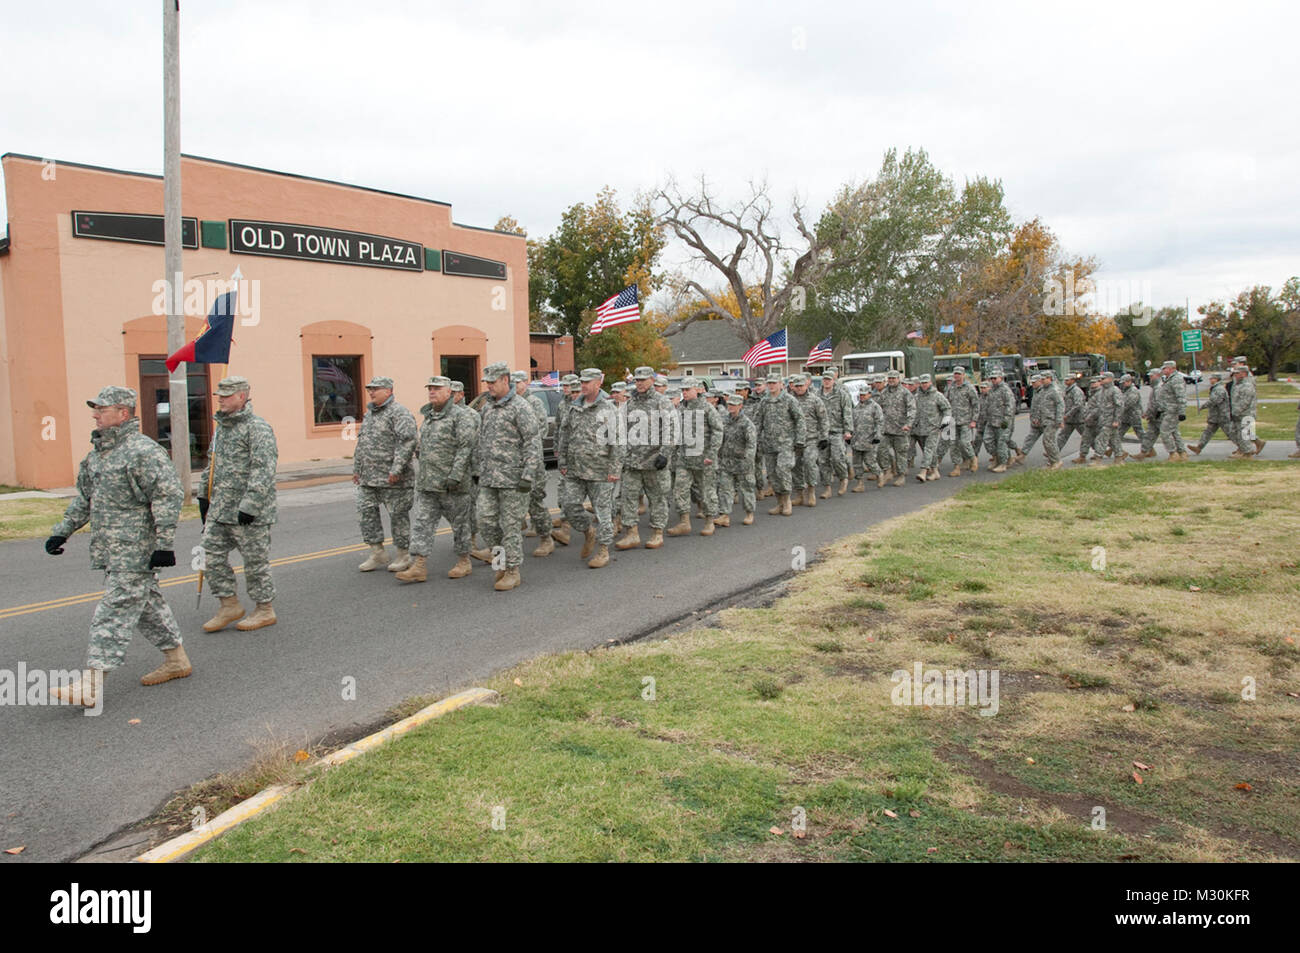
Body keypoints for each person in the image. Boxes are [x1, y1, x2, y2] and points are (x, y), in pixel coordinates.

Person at [45, 386, 188, 708]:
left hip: (137, 549)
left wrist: (164, 543)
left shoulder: (142, 451)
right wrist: (62, 532)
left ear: (123, 413)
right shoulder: (98, 454)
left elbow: (168, 495)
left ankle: (91, 683)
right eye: (94, 409)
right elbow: (85, 498)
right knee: (147, 607)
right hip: (112, 549)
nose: (95, 414)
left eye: (102, 409)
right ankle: (177, 660)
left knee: (114, 609)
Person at [199, 376, 279, 631]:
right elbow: (211, 466)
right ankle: (229, 604)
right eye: (219, 395)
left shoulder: (257, 428)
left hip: (249, 512)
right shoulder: (222, 428)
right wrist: (203, 495)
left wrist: (251, 505)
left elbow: (263, 469)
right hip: (220, 508)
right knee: (210, 556)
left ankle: (264, 608)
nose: (220, 399)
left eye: (226, 395)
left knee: (255, 563)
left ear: (242, 397)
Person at [397, 376, 479, 583]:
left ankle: (464, 561)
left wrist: (455, 475)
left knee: (460, 525)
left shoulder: (461, 416)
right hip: (428, 484)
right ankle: (419, 565)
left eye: (436, 388)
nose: (431, 392)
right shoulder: (430, 416)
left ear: (449, 392)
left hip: (452, 485)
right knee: (422, 524)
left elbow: (466, 448)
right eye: (430, 389)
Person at [473, 361, 540, 591]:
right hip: (489, 478)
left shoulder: (520, 407)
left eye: (493, 382)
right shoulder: (487, 407)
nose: (489, 386)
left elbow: (532, 441)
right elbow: (481, 440)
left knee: (510, 526)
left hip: (514, 480)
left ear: (505, 380)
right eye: (487, 382)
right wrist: (477, 470)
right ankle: (500, 563)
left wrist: (528, 475)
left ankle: (512, 570)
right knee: (486, 522)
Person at [558, 368, 624, 567]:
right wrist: (562, 462)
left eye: (587, 382)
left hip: (600, 471)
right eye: (582, 382)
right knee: (569, 506)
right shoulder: (574, 407)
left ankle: (603, 550)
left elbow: (618, 441)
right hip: (575, 470)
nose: (583, 385)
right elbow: (565, 434)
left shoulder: (608, 409)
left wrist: (615, 469)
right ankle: (589, 531)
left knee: (603, 512)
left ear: (598, 384)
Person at [353, 376, 417, 572]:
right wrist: (357, 469)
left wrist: (396, 469)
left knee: (398, 516)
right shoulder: (370, 414)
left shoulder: (399, 413)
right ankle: (377, 551)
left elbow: (406, 443)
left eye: (376, 389)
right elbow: (362, 443)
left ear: (388, 391)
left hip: (393, 478)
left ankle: (403, 555)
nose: (371, 392)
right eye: (370, 389)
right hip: (369, 477)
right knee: (365, 512)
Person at [616, 366, 675, 550]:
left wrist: (665, 453)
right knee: (628, 497)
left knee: (657, 498)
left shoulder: (661, 401)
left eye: (643, 380)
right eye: (637, 380)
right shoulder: (631, 402)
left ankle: (657, 533)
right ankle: (631, 533)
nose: (639, 383)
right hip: (632, 461)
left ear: (652, 380)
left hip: (654, 460)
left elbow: (671, 429)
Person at [669, 379, 723, 535]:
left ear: (698, 390)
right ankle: (684, 522)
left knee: (706, 491)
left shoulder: (707, 408)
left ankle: (709, 521)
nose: (684, 392)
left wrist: (712, 454)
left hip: (704, 458)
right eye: (683, 390)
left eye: (688, 389)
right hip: (684, 458)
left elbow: (718, 431)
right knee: (680, 489)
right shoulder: (680, 409)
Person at [512, 371, 556, 554]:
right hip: (514, 462)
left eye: (518, 382)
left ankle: (546, 537)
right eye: (512, 383)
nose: (515, 386)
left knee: (534, 501)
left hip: (532, 461)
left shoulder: (534, 402)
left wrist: (528, 453)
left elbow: (540, 431)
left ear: (525, 383)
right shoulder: (511, 404)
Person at [755, 369, 805, 516]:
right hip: (769, 443)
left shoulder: (789, 400)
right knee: (772, 473)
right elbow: (758, 422)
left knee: (783, 470)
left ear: (781, 384)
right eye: (769, 383)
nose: (771, 386)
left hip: (786, 443)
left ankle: (787, 500)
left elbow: (800, 420)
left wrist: (800, 440)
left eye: (774, 383)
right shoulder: (764, 401)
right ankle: (779, 502)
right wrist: (756, 440)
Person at [716, 393, 757, 525]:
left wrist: (748, 461)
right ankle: (724, 515)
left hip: (742, 461)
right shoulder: (724, 421)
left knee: (746, 489)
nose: (731, 407)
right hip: (726, 461)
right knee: (725, 488)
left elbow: (751, 444)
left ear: (740, 405)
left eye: (734, 405)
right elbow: (718, 439)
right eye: (729, 404)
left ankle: (749, 513)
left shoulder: (747, 424)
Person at [790, 374, 829, 506]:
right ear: (794, 387)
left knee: (809, 463)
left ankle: (811, 492)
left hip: (811, 438)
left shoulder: (815, 400)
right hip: (794, 441)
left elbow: (823, 419)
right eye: (797, 386)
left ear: (807, 385)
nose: (799, 388)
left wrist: (824, 437)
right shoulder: (789, 401)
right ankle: (799, 494)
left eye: (802, 385)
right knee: (795, 467)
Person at [818, 369, 854, 496]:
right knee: (823, 461)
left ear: (834, 381)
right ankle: (827, 487)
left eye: (829, 379)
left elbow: (847, 413)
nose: (827, 382)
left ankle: (843, 479)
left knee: (838, 458)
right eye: (825, 379)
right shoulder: (817, 395)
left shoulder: (841, 394)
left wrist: (848, 430)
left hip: (837, 431)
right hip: (822, 433)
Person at [877, 370, 916, 485]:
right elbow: (879, 408)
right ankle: (887, 471)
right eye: (890, 378)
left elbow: (912, 409)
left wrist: (908, 424)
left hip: (900, 429)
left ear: (898, 379)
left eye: (894, 378)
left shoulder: (905, 393)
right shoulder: (884, 393)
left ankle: (901, 475)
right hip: (886, 428)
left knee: (901, 454)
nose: (891, 380)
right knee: (881, 450)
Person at [945, 366, 979, 476]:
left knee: (965, 443)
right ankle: (956, 468)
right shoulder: (951, 388)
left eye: (959, 374)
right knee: (953, 446)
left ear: (963, 375)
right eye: (955, 374)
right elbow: (946, 402)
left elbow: (976, 405)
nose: (957, 376)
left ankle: (973, 458)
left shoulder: (969, 388)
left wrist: (974, 420)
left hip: (965, 420)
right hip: (953, 421)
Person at [850, 388, 886, 489]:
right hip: (856, 440)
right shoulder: (856, 408)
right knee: (857, 463)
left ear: (869, 395)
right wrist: (849, 435)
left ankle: (879, 474)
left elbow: (880, 422)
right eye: (861, 395)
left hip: (869, 439)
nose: (862, 396)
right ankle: (860, 483)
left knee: (870, 462)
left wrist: (878, 436)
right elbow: (851, 422)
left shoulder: (875, 407)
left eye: (864, 395)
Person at [1188, 371, 1229, 456]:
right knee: (1207, 432)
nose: (1210, 379)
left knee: (1230, 433)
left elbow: (1214, 401)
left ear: (1216, 379)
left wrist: (1203, 406)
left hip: (1221, 415)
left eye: (1212, 378)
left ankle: (1243, 448)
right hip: (1215, 416)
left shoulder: (1219, 389)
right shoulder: (1215, 388)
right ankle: (1199, 447)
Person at [1228, 362, 1263, 458]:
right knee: (1236, 432)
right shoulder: (1238, 384)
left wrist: (1236, 412)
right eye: (1234, 373)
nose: (1235, 375)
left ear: (1244, 373)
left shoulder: (1247, 385)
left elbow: (1245, 402)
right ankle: (1244, 450)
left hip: (1246, 413)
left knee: (1245, 434)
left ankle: (1247, 453)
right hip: (1237, 413)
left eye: (1237, 373)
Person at [1156, 360, 1189, 461]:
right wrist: (1160, 410)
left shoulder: (1176, 379)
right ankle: (1182, 453)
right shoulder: (1168, 379)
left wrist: (1182, 412)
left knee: (1164, 431)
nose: (1163, 370)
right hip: (1167, 409)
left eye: (1165, 368)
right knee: (1174, 432)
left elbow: (1181, 396)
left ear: (1171, 368)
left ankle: (1173, 453)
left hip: (1173, 410)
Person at [984, 367, 1016, 472]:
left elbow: (1010, 405)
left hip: (1003, 421)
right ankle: (999, 458)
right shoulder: (992, 390)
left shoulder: (1005, 390)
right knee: (987, 440)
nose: (993, 380)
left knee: (1001, 442)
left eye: (995, 378)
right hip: (991, 420)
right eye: (991, 378)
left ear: (1001, 378)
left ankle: (1003, 464)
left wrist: (1006, 421)